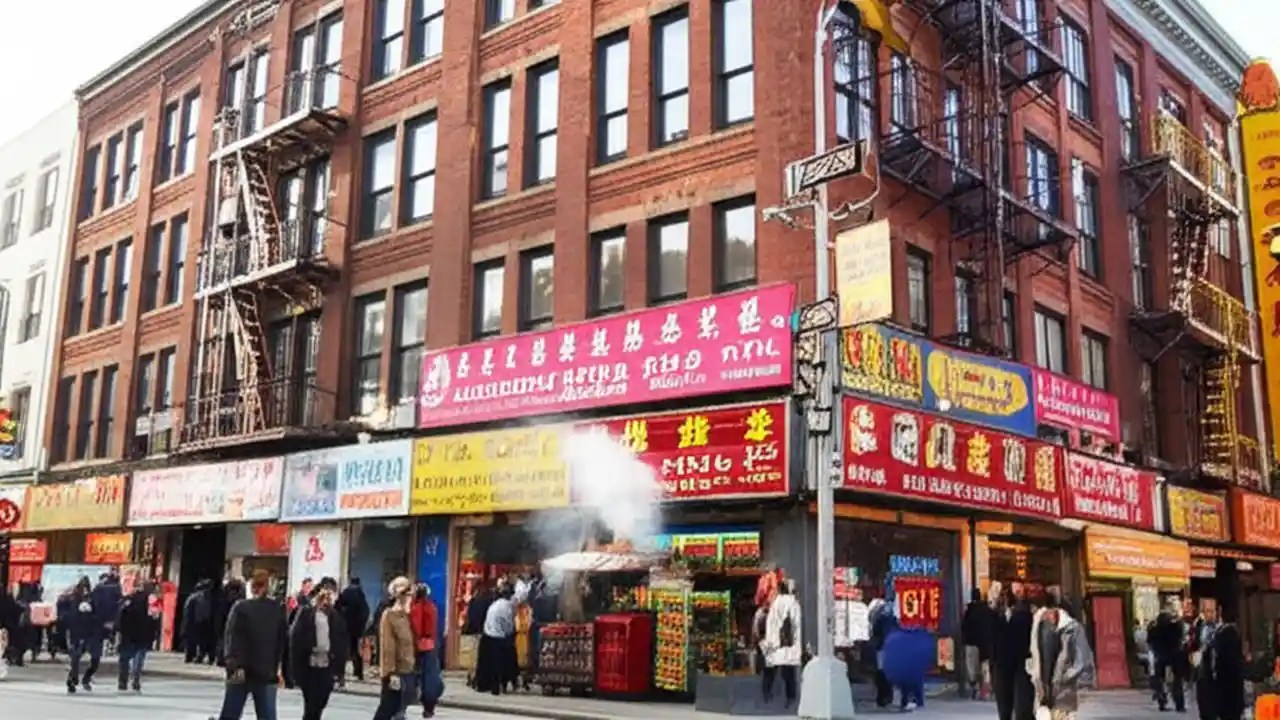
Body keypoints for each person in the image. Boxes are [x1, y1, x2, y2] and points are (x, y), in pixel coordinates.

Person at [212, 570, 287, 720]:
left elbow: (231, 637)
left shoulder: (241, 607)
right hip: (266, 671)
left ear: (252, 586)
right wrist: (279, 669)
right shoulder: (277, 610)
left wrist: (233, 663)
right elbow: (282, 641)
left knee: (231, 713)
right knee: (267, 715)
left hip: (241, 671)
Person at [289, 584, 348, 720]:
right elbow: (295, 639)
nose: (326, 601)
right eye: (323, 597)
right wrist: (294, 670)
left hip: (327, 664)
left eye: (329, 598)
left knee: (321, 700)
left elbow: (341, 642)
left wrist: (339, 670)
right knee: (310, 704)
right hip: (309, 665)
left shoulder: (335, 617)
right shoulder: (306, 613)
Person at [1027, 600, 1094, 720]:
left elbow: (1083, 660)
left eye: (1048, 614)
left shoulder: (1074, 629)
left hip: (1064, 691)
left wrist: (1066, 677)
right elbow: (1036, 654)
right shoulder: (1039, 627)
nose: (1046, 617)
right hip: (1045, 690)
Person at [373, 577, 417, 720]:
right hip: (394, 672)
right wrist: (391, 673)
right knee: (387, 709)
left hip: (407, 670)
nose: (411, 598)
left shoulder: (407, 616)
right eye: (408, 594)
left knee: (399, 710)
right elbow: (388, 648)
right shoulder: (390, 615)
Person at [993, 586, 1036, 720]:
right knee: (1010, 701)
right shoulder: (998, 617)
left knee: (1015, 701)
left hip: (1016, 662)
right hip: (1009, 662)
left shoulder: (1022, 616)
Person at [760, 578, 802, 707]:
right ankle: (790, 698)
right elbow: (796, 624)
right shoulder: (793, 603)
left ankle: (766, 694)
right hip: (787, 644)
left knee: (770, 671)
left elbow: (770, 623)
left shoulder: (775, 603)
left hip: (773, 642)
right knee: (789, 673)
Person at [1201, 607, 1245, 720]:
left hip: (1222, 680)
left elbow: (1212, 657)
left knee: (1226, 710)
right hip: (1233, 679)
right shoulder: (1233, 633)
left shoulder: (1221, 634)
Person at [474, 582, 516, 695]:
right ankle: (501, 684)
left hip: (488, 636)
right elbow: (509, 625)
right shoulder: (507, 606)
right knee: (501, 664)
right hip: (499, 638)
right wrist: (510, 633)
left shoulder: (494, 604)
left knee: (490, 665)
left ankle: (488, 685)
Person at [117, 580, 159, 692]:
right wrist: (155, 632)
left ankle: (123, 681)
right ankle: (135, 679)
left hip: (128, 633)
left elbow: (121, 615)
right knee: (139, 657)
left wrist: (119, 630)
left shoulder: (128, 599)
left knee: (125, 658)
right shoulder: (152, 599)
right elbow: (155, 616)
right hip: (144, 633)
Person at [410, 583, 443, 718]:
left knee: (415, 674)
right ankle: (429, 706)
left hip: (416, 645)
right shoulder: (431, 607)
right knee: (430, 676)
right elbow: (433, 628)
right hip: (430, 645)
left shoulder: (413, 608)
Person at [65, 577, 100, 693]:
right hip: (78, 633)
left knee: (95, 658)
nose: (85, 590)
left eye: (87, 587)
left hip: (91, 633)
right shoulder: (74, 599)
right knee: (76, 657)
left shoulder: (93, 599)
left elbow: (98, 614)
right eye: (83, 587)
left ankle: (87, 678)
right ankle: (72, 679)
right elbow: (69, 616)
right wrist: (78, 612)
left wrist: (91, 614)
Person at [1149, 609, 1189, 712]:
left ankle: (1162, 701)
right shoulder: (1173, 628)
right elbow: (1180, 634)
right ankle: (1179, 705)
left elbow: (1150, 641)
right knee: (1176, 682)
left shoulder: (1155, 629)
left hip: (1160, 657)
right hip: (1174, 657)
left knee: (1159, 680)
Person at [961, 587, 995, 700]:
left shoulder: (969, 611)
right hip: (986, 643)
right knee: (985, 668)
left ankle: (974, 688)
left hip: (972, 643)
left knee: (972, 668)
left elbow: (964, 627)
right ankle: (985, 691)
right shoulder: (987, 611)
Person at [336, 576, 370, 686]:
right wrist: (362, 624)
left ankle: (340, 674)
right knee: (355, 650)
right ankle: (358, 672)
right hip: (357, 628)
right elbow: (365, 611)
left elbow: (338, 607)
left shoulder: (345, 593)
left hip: (345, 627)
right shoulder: (360, 595)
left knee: (344, 651)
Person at [184, 579, 215, 664]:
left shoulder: (207, 598)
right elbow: (188, 611)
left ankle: (197, 656)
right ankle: (193, 656)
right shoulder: (196, 598)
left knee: (200, 640)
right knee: (195, 640)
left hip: (201, 622)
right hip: (197, 622)